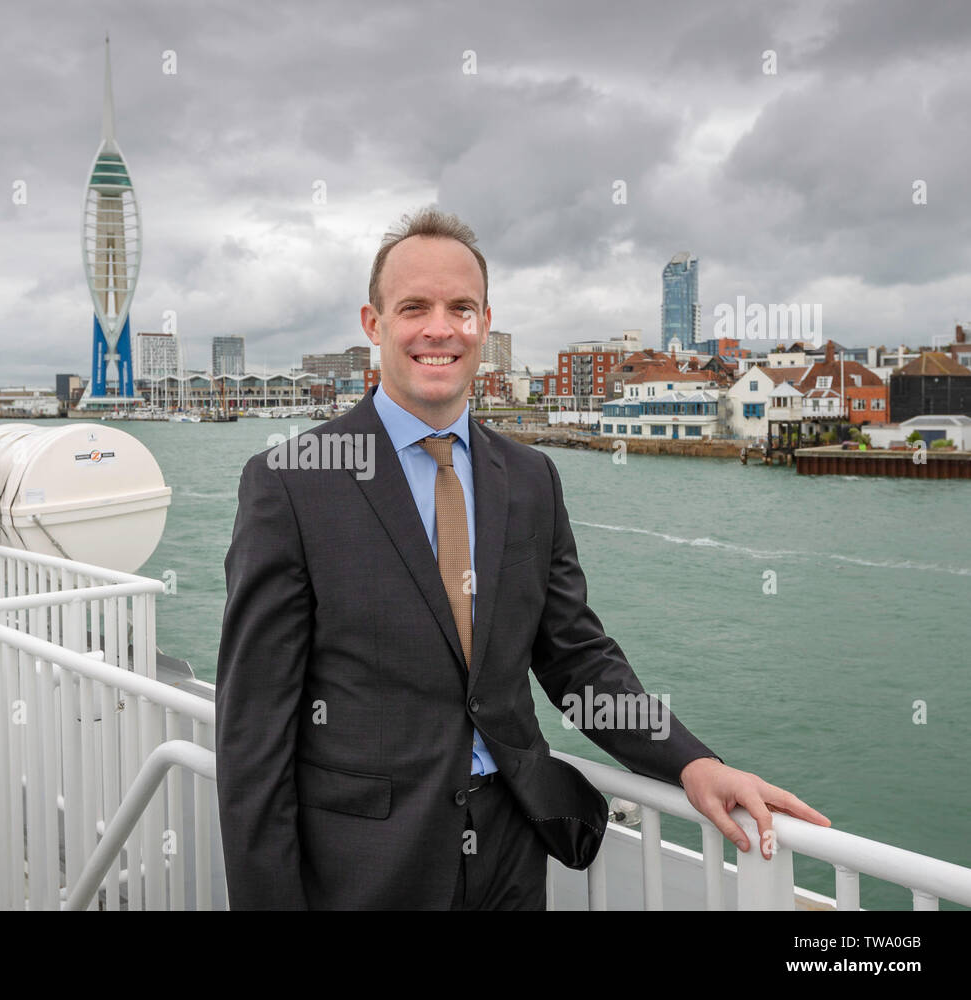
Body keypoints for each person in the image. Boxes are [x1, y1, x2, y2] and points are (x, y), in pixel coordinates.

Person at [214, 206, 828, 910]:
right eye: (414, 306)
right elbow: (253, 732)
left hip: (509, 850)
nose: (439, 328)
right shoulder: (293, 482)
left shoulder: (530, 479)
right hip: (364, 867)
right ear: (374, 325)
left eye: (461, 308)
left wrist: (692, 762)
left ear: (485, 326)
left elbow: (574, 657)